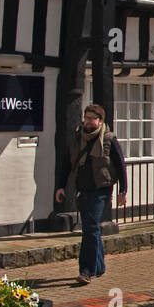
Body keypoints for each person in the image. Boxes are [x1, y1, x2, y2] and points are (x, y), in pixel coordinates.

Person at [55, 104, 128, 285]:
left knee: (90, 228)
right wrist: (60, 187)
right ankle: (100, 266)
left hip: (101, 190)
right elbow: (66, 164)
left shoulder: (109, 139)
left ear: (100, 121)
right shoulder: (77, 138)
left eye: (91, 119)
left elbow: (120, 165)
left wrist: (123, 191)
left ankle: (86, 270)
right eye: (86, 118)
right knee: (92, 229)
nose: (87, 121)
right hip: (82, 189)